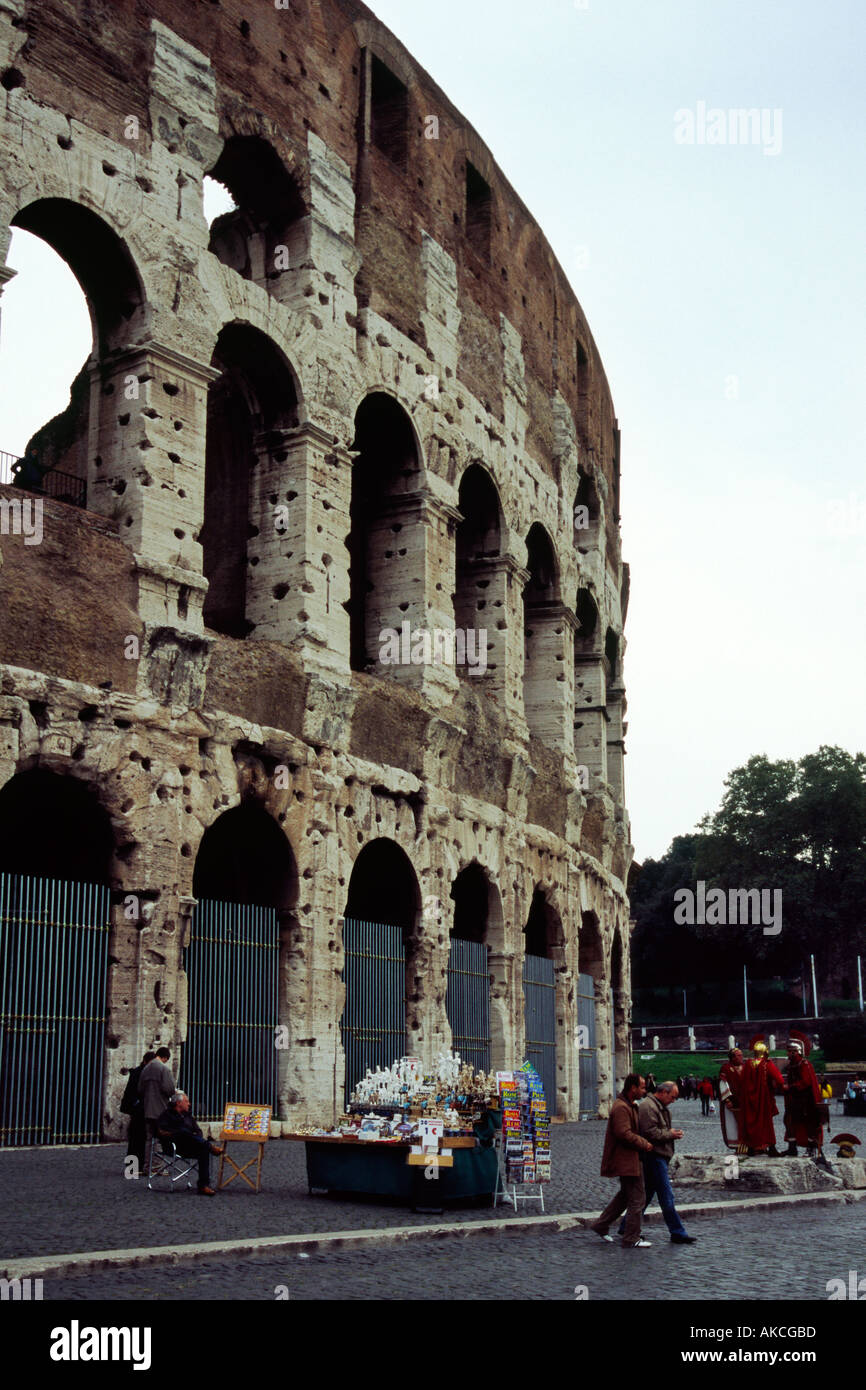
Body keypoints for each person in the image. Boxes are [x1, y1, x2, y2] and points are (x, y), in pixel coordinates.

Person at [619, 1081, 695, 1245]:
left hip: (657, 1156)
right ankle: (677, 1232)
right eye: (673, 1097)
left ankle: (626, 1226)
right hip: (654, 1156)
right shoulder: (648, 1107)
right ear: (663, 1092)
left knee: (646, 1195)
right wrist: (670, 1134)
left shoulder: (655, 1105)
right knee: (666, 1196)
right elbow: (649, 1132)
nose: (673, 1101)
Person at [588, 1073, 654, 1248]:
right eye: (642, 1087)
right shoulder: (621, 1107)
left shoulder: (629, 1105)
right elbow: (623, 1133)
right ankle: (631, 1237)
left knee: (625, 1196)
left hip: (631, 1158)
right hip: (627, 1160)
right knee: (638, 1198)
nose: (644, 1090)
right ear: (633, 1088)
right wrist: (644, 1143)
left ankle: (600, 1225)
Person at [155, 1092, 224, 1196]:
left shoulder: (188, 1115)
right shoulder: (166, 1115)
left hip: (189, 1145)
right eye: (186, 1101)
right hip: (173, 1146)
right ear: (178, 1103)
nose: (189, 1104)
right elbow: (161, 1132)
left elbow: (198, 1130)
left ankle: (203, 1186)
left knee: (203, 1150)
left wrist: (194, 1137)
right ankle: (210, 1146)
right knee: (182, 1132)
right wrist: (180, 1134)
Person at [782, 1031, 826, 1162]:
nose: (788, 1054)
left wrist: (790, 1087)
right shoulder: (791, 1066)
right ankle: (792, 1147)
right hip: (795, 1100)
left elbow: (806, 1082)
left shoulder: (804, 1065)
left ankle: (811, 1147)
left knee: (810, 1123)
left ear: (796, 1052)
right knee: (788, 1120)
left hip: (807, 1100)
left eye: (790, 1051)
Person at [737, 1035, 784, 1156]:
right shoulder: (767, 1064)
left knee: (751, 1122)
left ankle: (752, 1147)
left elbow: (742, 1081)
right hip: (763, 1099)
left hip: (749, 1100)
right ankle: (771, 1148)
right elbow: (779, 1079)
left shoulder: (748, 1064)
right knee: (766, 1123)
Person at [120, 1049, 155, 1168]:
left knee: (136, 1138)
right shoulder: (141, 1072)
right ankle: (134, 1166)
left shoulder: (139, 1071)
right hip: (138, 1108)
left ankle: (133, 1166)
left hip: (136, 1107)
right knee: (137, 1138)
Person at [138, 1046, 176, 1134]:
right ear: (165, 1058)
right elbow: (170, 1089)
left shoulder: (145, 1069)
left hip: (147, 1109)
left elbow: (140, 1089)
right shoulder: (164, 1069)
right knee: (160, 1138)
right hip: (161, 1109)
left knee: (149, 1138)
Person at [719, 1047, 745, 1152]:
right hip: (731, 1101)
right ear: (732, 1058)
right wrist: (727, 1100)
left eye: (741, 1055)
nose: (741, 1057)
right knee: (733, 1124)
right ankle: (737, 1145)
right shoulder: (726, 1068)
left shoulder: (745, 1067)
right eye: (739, 1055)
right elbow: (723, 1084)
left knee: (745, 1123)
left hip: (744, 1101)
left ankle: (747, 1144)